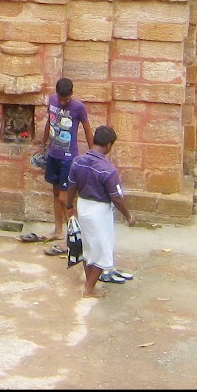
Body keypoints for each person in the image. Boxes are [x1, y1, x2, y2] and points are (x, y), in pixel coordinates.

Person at [67, 125, 135, 296]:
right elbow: (116, 198)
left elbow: (71, 187)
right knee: (103, 250)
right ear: (109, 145)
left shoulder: (78, 161)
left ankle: (90, 282)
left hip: (83, 205)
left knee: (88, 246)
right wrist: (128, 216)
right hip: (99, 210)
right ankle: (89, 289)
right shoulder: (108, 169)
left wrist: (69, 206)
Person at [41, 78, 92, 255]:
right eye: (60, 99)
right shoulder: (52, 100)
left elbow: (87, 128)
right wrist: (43, 142)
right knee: (55, 193)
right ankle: (57, 231)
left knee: (65, 199)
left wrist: (93, 154)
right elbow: (50, 121)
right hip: (53, 154)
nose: (62, 103)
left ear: (71, 94)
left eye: (66, 100)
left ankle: (74, 239)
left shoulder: (78, 108)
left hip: (68, 158)